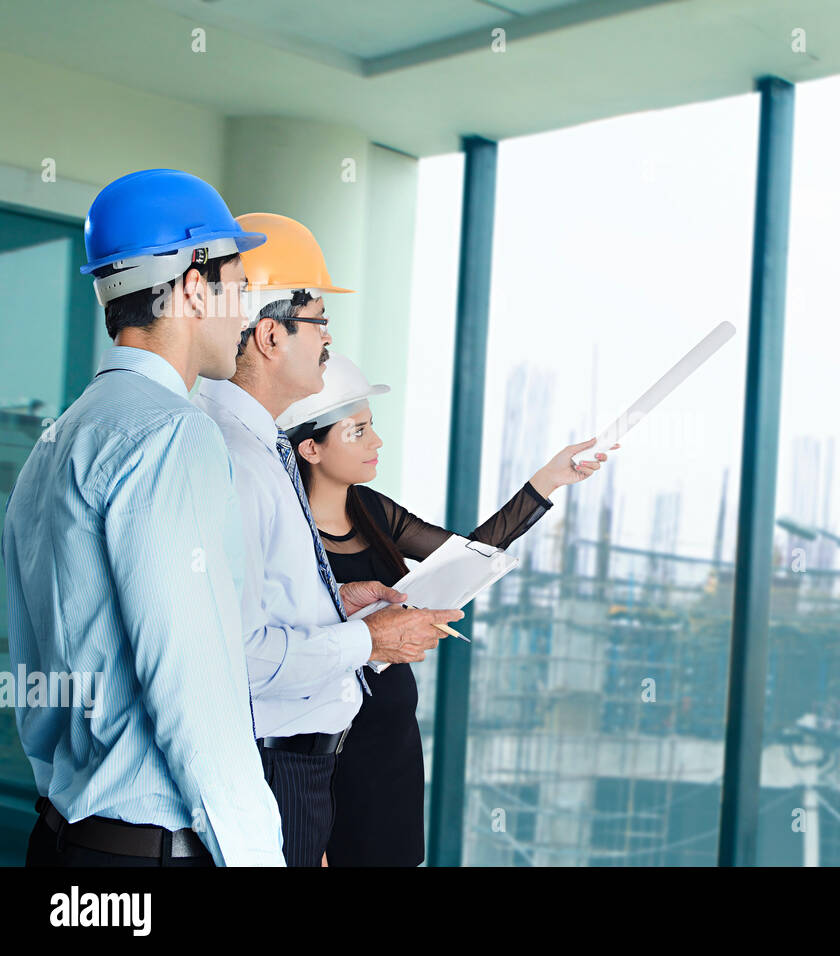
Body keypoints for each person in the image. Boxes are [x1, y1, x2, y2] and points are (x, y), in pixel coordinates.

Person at [2, 168, 285, 866]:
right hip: (149, 851)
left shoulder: (58, 439)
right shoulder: (172, 435)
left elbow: (31, 669)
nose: (246, 311)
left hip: (67, 835)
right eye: (238, 284)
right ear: (193, 285)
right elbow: (195, 685)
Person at [192, 212, 459, 867]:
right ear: (270, 334)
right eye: (319, 322)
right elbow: (231, 655)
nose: (329, 340)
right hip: (272, 767)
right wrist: (371, 639)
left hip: (302, 772)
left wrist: (333, 602)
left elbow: (250, 606)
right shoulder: (234, 461)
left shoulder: (259, 454)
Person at [278, 352, 616, 865]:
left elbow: (468, 558)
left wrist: (547, 482)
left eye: (374, 428)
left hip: (392, 745)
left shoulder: (372, 510)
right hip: (320, 756)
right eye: (359, 431)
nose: (377, 442)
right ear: (311, 448)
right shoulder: (284, 535)